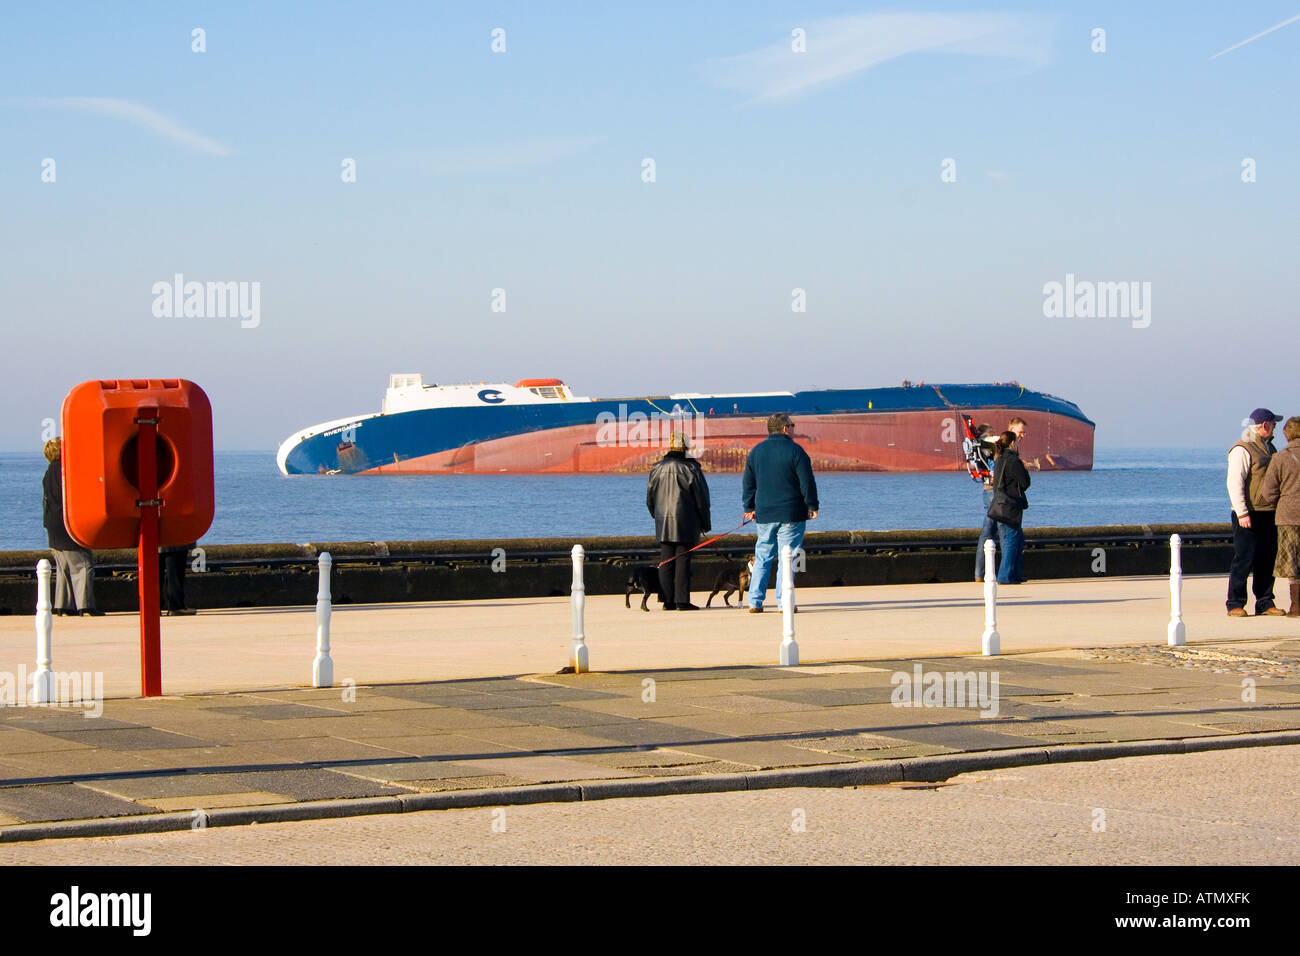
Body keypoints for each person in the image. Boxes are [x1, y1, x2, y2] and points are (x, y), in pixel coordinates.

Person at [742, 412, 819, 612]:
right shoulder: (796, 451)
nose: (794, 428)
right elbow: (807, 482)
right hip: (791, 514)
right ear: (785, 428)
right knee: (787, 558)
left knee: (763, 556)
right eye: (792, 425)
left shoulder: (756, 452)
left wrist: (749, 507)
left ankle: (754, 602)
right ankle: (783, 603)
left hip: (764, 514)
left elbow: (748, 483)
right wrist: (812, 505)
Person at [1227, 408, 1286, 617]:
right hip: (1249, 512)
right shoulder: (1242, 449)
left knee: (1267, 558)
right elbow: (1235, 482)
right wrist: (1242, 513)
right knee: (1244, 558)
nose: (1275, 428)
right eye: (1273, 424)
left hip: (1268, 511)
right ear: (1264, 425)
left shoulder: (1270, 448)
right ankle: (1235, 602)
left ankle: (1264, 601)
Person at [646, 432, 711, 610]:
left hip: (663, 522)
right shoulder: (691, 468)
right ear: (686, 447)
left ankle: (667, 601)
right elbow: (702, 500)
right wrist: (705, 523)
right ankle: (682, 601)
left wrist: (657, 516)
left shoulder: (656, 467)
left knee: (665, 561)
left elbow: (650, 498)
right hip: (687, 522)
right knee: (683, 560)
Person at [41, 438, 103, 616]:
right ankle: (85, 604)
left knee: (63, 566)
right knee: (83, 563)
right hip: (66, 523)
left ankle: (63, 604)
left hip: (52, 524)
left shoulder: (48, 473)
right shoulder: (65, 471)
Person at [1255, 416, 1300, 616]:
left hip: (1288, 515)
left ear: (1286, 434)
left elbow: (1269, 492)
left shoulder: (1280, 458)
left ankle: (1297, 606)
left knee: (1292, 563)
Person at [987, 430, 1030, 584]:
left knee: (1015, 538)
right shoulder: (1013, 460)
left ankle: (1015, 574)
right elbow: (1025, 483)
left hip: (1000, 503)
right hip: (1011, 505)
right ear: (1012, 443)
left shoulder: (998, 459)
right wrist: (1024, 469)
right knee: (1013, 539)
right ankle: (1006, 576)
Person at [160, 543, 198, 615]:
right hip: (176, 541)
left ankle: (153, 607)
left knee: (155, 573)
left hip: (153, 541)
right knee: (175, 570)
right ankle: (176, 606)